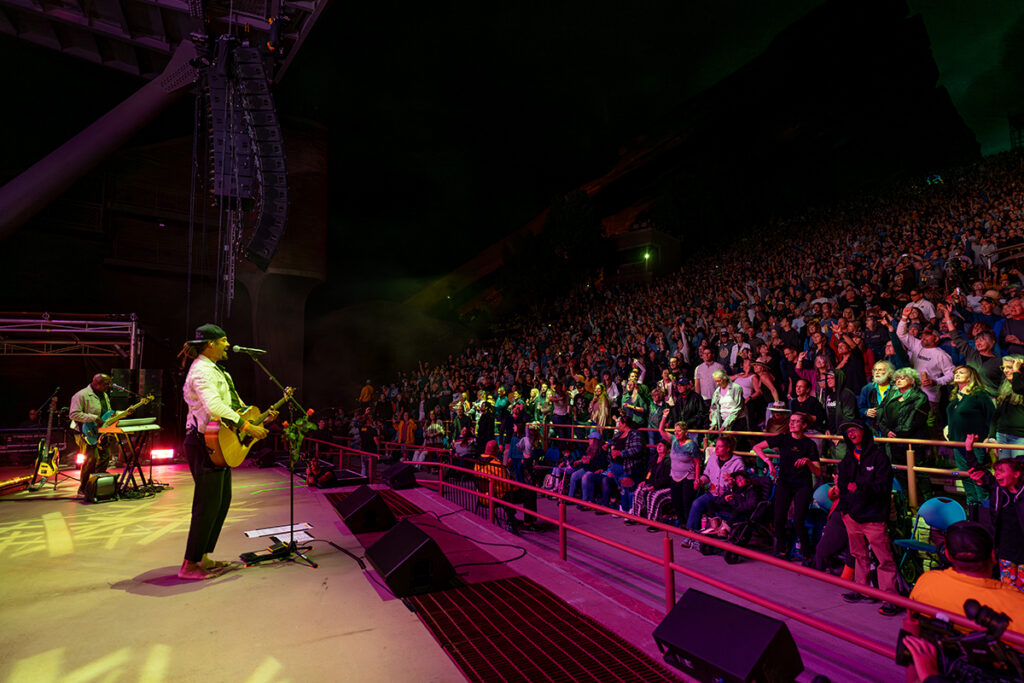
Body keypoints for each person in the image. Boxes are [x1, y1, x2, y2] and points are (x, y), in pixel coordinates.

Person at [178, 323, 271, 580]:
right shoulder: (201, 371)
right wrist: (246, 426)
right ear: (211, 344)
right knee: (207, 505)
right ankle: (189, 565)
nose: (228, 345)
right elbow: (214, 407)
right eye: (224, 340)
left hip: (217, 442)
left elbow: (234, 404)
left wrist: (254, 419)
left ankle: (203, 557)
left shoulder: (218, 371)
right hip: (203, 443)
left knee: (220, 503)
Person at [904, 521, 1024, 643]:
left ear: (948, 555)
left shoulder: (926, 581)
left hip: (940, 657)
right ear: (993, 556)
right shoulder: (1018, 603)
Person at [835, 420, 902, 616]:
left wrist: (863, 488)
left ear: (864, 432)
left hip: (873, 518)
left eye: (854, 429)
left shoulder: (879, 458)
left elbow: (883, 488)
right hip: (853, 517)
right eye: (848, 431)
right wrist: (845, 511)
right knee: (859, 555)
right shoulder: (847, 460)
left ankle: (890, 599)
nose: (851, 434)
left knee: (884, 560)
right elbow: (843, 489)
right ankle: (863, 590)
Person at [753, 412, 821, 559]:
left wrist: (808, 462)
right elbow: (757, 447)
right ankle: (782, 549)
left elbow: (818, 471)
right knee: (777, 519)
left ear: (804, 426)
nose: (791, 424)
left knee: (798, 521)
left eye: (796, 422)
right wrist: (768, 461)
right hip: (784, 483)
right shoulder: (783, 438)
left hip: (802, 485)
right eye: (791, 421)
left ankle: (808, 554)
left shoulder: (810, 445)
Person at [967, 440, 1024, 591]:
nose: (997, 474)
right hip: (1005, 553)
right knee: (1007, 592)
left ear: (1017, 474)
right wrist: (969, 448)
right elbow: (977, 469)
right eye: (996, 471)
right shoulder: (998, 490)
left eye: (1001, 471)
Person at [945, 366, 994, 512]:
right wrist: (947, 428)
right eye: (956, 372)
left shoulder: (979, 393)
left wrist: (990, 437)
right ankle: (973, 510)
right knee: (966, 477)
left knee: (977, 478)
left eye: (961, 372)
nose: (957, 374)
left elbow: (992, 416)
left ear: (971, 375)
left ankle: (986, 512)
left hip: (975, 443)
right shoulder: (956, 395)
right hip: (958, 443)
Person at [658, 410, 701, 546]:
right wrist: (664, 416)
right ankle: (683, 525)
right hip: (674, 476)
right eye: (675, 431)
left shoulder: (691, 445)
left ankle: (690, 530)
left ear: (686, 432)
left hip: (688, 477)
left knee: (686, 503)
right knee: (676, 502)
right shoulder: (673, 440)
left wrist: (697, 479)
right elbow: (661, 430)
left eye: (679, 431)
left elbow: (697, 462)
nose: (676, 433)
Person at [68, 373, 114, 497]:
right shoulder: (81, 395)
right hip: (84, 432)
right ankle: (83, 489)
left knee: (105, 457)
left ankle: (95, 485)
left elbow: (105, 412)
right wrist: (94, 418)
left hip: (100, 431)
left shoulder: (104, 395)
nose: (108, 387)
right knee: (90, 459)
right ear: (96, 383)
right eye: (106, 384)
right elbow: (73, 414)